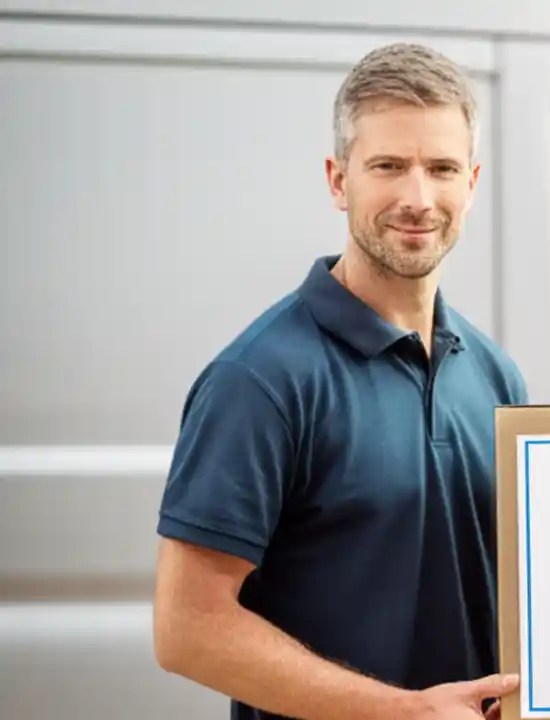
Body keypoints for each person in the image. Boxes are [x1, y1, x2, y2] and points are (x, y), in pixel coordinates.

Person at [152, 42, 525, 720]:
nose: (418, 198)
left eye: (442, 169)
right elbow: (188, 629)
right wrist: (406, 712)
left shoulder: (496, 376)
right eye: (388, 166)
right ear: (338, 180)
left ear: (471, 184)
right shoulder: (260, 381)